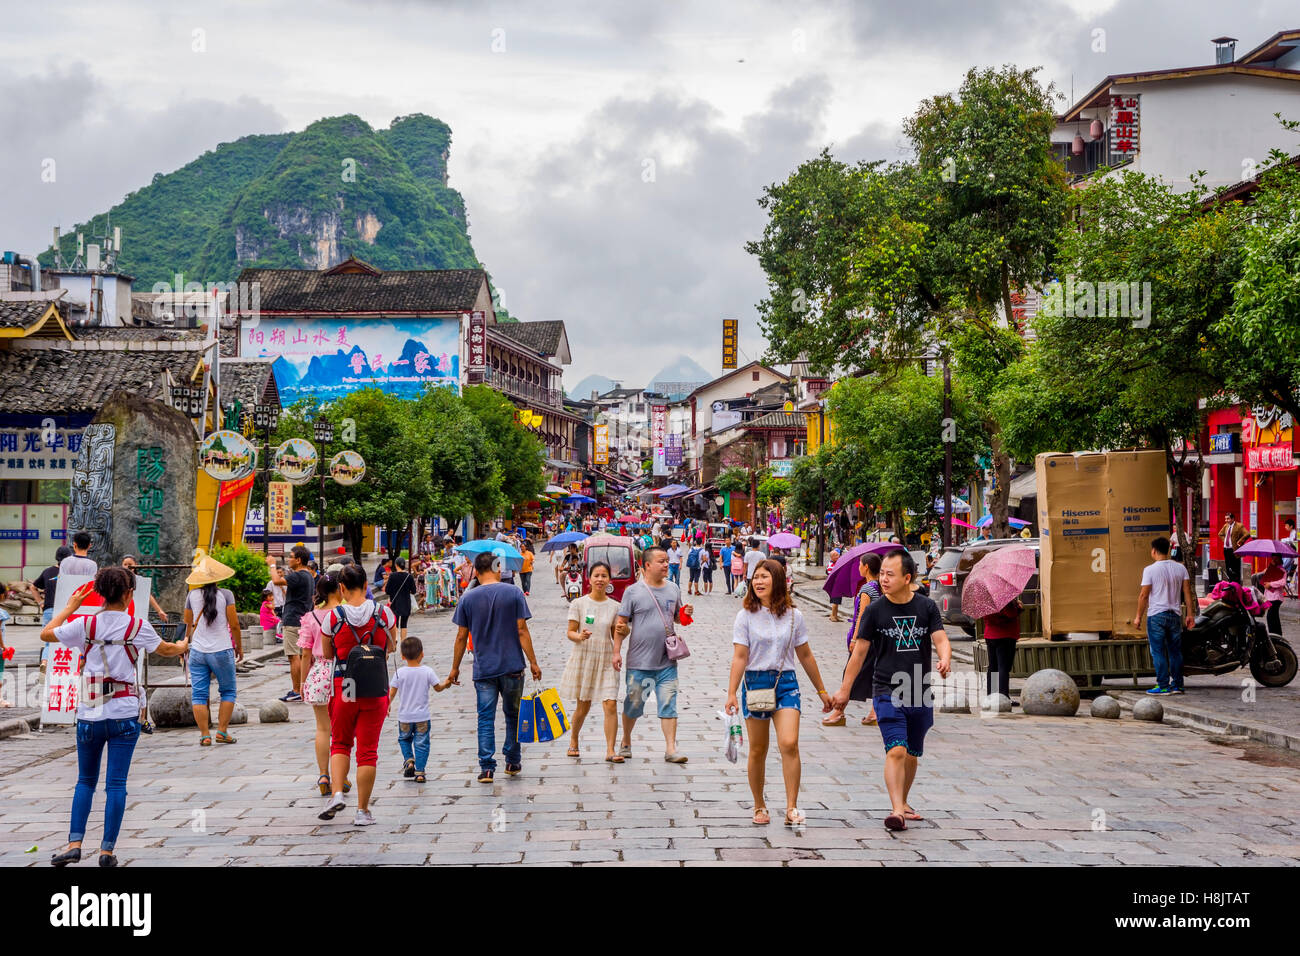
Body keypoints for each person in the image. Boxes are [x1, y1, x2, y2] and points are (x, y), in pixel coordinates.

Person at [43, 567, 189, 866]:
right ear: (129, 594)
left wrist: (70, 608)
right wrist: (184, 645)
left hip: (89, 713)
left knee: (85, 781)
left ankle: (74, 844)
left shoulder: (84, 624)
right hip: (124, 713)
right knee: (116, 784)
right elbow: (168, 649)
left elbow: (46, 633)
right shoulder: (138, 627)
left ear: (98, 593)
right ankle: (107, 851)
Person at [831, 550, 951, 832]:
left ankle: (904, 802)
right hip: (886, 688)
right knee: (896, 749)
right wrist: (844, 692)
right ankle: (896, 810)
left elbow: (941, 637)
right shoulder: (874, 610)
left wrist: (945, 657)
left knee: (911, 753)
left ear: (907, 578)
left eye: (890, 574)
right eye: (882, 573)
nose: (883, 579)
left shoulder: (926, 607)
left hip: (919, 690)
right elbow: (859, 654)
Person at [725, 559, 831, 826]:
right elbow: (740, 657)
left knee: (789, 743)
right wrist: (731, 693)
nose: (758, 582)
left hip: (786, 684)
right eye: (755, 577)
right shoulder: (745, 616)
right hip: (755, 682)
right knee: (758, 749)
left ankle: (792, 807)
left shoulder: (795, 616)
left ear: (778, 580)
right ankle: (759, 805)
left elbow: (805, 655)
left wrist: (821, 691)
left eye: (764, 577)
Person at [448, 551, 542, 783]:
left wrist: (455, 668)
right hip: (512, 666)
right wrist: (533, 662)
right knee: (513, 715)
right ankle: (512, 760)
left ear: (476, 572)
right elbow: (522, 630)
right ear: (497, 567)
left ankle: (487, 768)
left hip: (484, 669)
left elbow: (461, 637)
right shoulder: (514, 593)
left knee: (485, 718)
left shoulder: (467, 599)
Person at [317, 564, 397, 826]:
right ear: (366, 585)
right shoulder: (384, 614)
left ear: (341, 588)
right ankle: (362, 811)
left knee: (340, 742)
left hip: (346, 685)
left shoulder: (332, 617)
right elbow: (391, 646)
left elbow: (328, 655)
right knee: (368, 751)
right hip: (375, 688)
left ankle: (337, 792)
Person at [614, 546, 693, 763]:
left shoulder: (673, 589)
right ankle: (626, 740)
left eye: (667, 560)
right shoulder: (632, 591)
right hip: (639, 662)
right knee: (633, 705)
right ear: (647, 565)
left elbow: (677, 618)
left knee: (669, 703)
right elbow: (621, 623)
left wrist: (685, 614)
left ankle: (670, 749)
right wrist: (616, 652)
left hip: (667, 660)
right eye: (661, 561)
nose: (666, 564)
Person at [560, 562, 630, 761]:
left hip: (606, 656)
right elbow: (570, 632)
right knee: (583, 705)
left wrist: (625, 631)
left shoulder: (615, 606)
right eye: (596, 575)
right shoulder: (579, 604)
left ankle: (610, 750)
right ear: (589, 579)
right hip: (585, 656)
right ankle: (573, 740)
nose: (600, 579)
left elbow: (617, 632)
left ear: (609, 579)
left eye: (604, 575)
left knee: (610, 704)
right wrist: (579, 636)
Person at [297, 571, 350, 797]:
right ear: (340, 588)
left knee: (322, 728)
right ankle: (342, 777)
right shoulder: (347, 614)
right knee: (344, 729)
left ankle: (323, 775)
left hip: (319, 672)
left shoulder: (311, 617)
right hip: (345, 675)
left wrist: (301, 681)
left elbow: (305, 654)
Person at [182, 555, 243, 746]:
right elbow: (234, 624)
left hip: (198, 652)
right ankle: (222, 732)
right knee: (228, 691)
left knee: (199, 694)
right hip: (222, 650)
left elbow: (188, 624)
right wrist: (239, 647)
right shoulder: (226, 594)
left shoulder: (191, 596)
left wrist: (186, 644)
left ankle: (204, 735)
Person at [824, 551, 882, 728]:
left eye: (860, 565)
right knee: (873, 674)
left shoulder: (866, 589)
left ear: (866, 567)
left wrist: (855, 639)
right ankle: (874, 712)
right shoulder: (880, 587)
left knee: (849, 675)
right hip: (876, 639)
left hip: (863, 639)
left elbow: (861, 617)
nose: (858, 568)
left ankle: (838, 712)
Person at [1132, 536, 1196, 696]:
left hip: (1156, 616)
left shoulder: (1150, 570)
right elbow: (1188, 593)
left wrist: (1138, 616)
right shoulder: (1180, 568)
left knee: (1158, 651)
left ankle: (1162, 685)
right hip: (1175, 615)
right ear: (1168, 550)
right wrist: (1190, 614)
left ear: (1153, 551)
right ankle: (1178, 685)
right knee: (1175, 652)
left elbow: (1143, 596)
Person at [390, 636, 452, 784]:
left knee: (404, 739)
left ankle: (409, 760)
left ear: (402, 656)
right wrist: (447, 683)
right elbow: (438, 688)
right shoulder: (427, 671)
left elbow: (391, 693)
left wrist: (387, 705)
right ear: (422, 654)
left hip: (404, 717)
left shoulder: (399, 673)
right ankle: (420, 772)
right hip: (422, 717)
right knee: (422, 743)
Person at [268, 546, 313, 703]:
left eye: (291, 556)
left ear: (299, 560)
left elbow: (276, 581)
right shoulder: (308, 576)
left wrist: (272, 565)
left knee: (293, 657)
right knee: (301, 656)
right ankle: (303, 688)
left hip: (293, 620)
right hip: (304, 619)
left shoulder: (298, 575)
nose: (289, 559)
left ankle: (296, 690)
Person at [33, 546, 72, 671]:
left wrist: (40, 603)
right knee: (69, 638)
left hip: (49, 610)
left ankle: (44, 662)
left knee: (49, 641)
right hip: (66, 611)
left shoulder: (47, 572)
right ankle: (66, 665)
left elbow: (33, 587)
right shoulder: (71, 574)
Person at [982, 598, 1023, 703]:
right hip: (1005, 635)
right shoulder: (1003, 596)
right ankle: (1003, 697)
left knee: (993, 666)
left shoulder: (985, 597)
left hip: (990, 635)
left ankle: (992, 695)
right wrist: (1018, 607)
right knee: (1003, 667)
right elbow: (1011, 613)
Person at [382, 557, 416, 646]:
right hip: (406, 603)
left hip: (395, 603)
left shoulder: (392, 576)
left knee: (395, 622)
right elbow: (414, 591)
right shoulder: (409, 576)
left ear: (396, 565)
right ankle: (403, 642)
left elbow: (387, 591)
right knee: (404, 624)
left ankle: (395, 638)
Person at [1257, 555, 1286, 638]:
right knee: (1273, 617)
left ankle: (1275, 635)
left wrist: (1271, 584)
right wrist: (1266, 572)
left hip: (1276, 597)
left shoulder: (1282, 570)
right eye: (1273, 558)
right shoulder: (1271, 568)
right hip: (1269, 596)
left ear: (1279, 559)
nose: (1273, 559)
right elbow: (1264, 579)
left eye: (1275, 558)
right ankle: (1276, 635)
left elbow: (1283, 582)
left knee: (1271, 616)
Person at [1219, 513, 1248, 584]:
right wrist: (1226, 540)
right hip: (1226, 549)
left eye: (1228, 518)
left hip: (1234, 550)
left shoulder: (1239, 526)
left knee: (1235, 568)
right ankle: (1230, 583)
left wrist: (1240, 541)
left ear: (1232, 519)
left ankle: (1236, 584)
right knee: (1228, 567)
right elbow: (1220, 534)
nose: (1226, 520)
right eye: (1225, 519)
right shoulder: (1226, 526)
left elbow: (1247, 534)